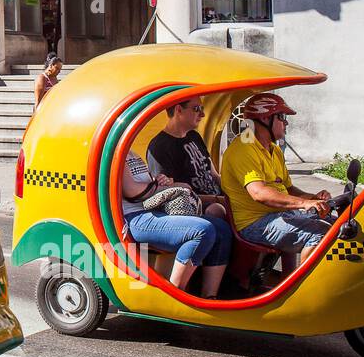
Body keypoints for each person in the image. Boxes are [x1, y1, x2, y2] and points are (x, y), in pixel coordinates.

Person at [221, 93, 332, 272]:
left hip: (278, 215)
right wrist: (304, 203)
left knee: (336, 224)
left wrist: (313, 198)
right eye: (282, 117)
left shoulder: (274, 150)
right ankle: (301, 292)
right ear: (265, 118)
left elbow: (289, 190)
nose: (286, 123)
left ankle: (291, 279)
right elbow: (259, 193)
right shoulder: (243, 148)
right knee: (320, 234)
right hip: (254, 223)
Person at [121, 150, 232, 297]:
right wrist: (168, 188)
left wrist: (160, 180)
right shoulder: (117, 153)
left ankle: (209, 297)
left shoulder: (132, 153)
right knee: (202, 230)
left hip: (154, 210)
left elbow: (145, 184)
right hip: (136, 218)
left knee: (221, 229)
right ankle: (175, 295)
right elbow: (132, 191)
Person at [146, 95, 230, 219]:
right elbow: (168, 193)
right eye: (196, 109)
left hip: (219, 198)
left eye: (202, 108)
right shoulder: (159, 147)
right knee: (217, 210)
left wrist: (236, 192)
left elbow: (214, 175)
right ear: (178, 110)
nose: (202, 114)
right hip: (195, 206)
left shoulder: (194, 136)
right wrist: (219, 200)